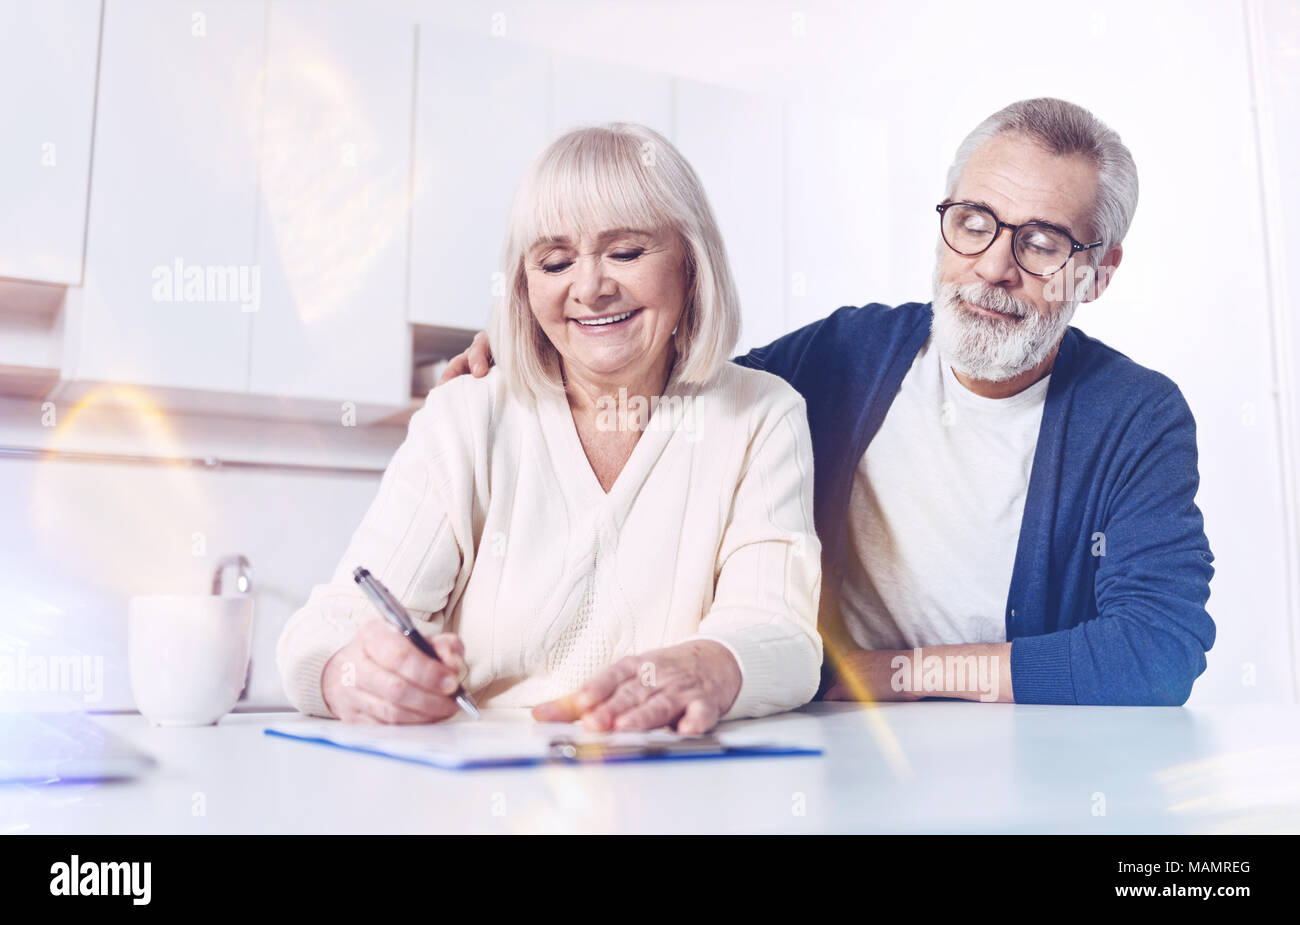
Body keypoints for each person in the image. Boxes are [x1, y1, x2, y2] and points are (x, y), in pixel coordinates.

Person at [443, 98, 1215, 706]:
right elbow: (674, 384)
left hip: (1016, 755)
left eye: (1043, 243)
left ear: (1100, 272)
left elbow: (1155, 650)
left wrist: (892, 675)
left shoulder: (1136, 416)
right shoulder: (847, 355)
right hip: (826, 747)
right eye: (973, 224)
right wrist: (539, 344)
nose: (993, 268)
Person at [276, 123, 823, 732]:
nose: (589, 288)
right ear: (525, 285)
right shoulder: (468, 417)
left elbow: (783, 635)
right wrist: (350, 675)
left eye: (627, 252)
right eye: (556, 261)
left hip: (672, 784)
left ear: (691, 265)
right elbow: (327, 628)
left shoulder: (761, 416)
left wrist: (709, 667)